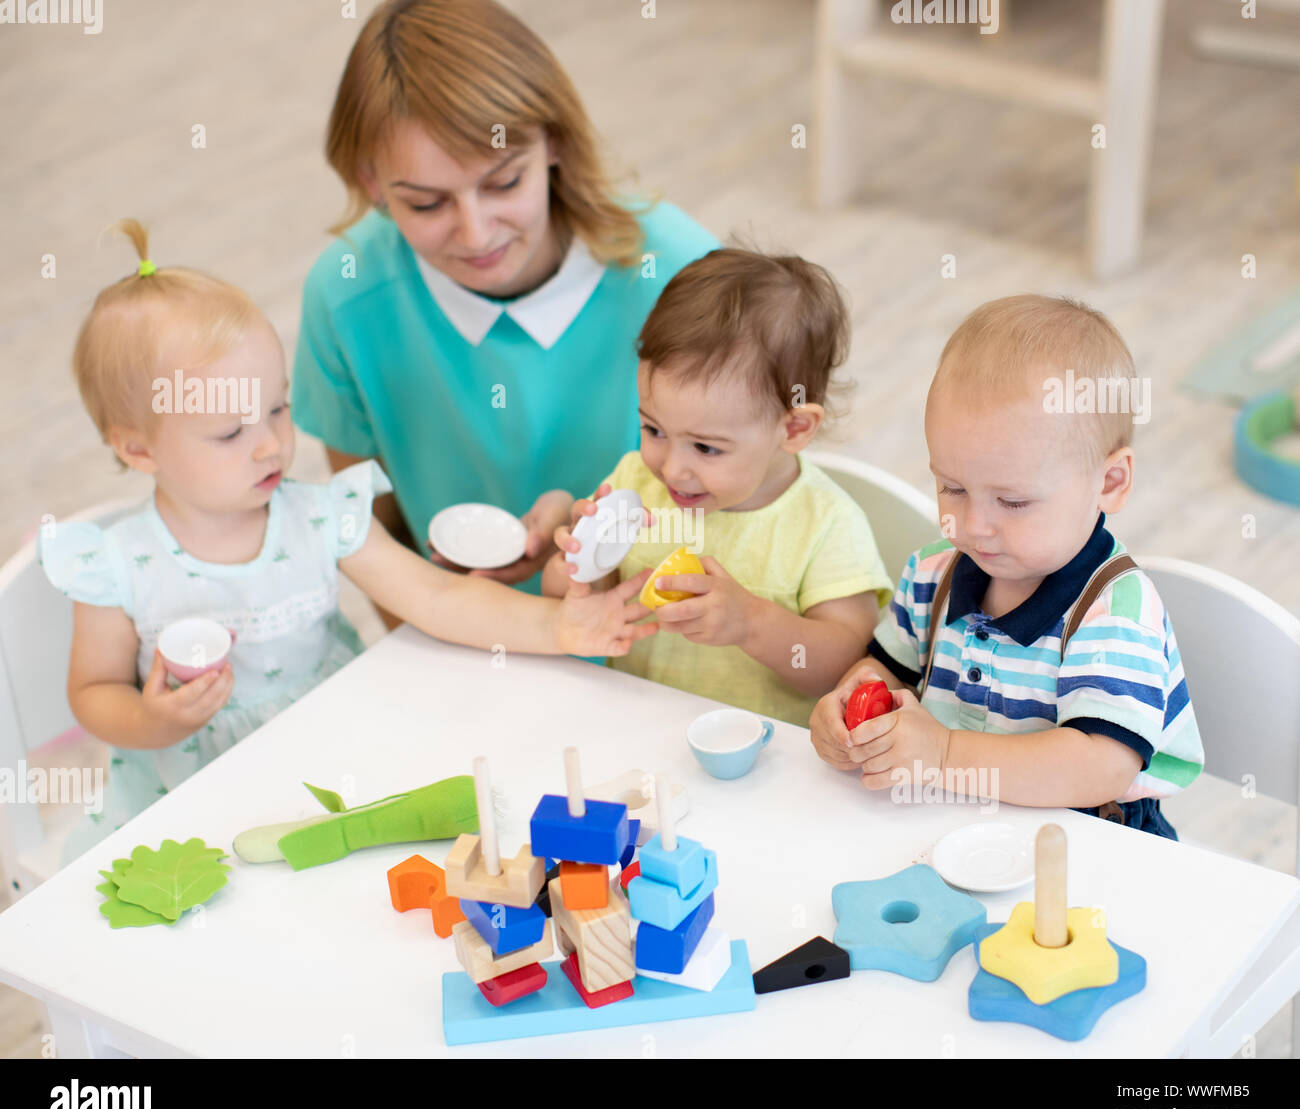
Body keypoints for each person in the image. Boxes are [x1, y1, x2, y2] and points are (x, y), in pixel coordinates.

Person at [40, 222, 657, 861]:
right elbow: (93, 691)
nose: (271, 444)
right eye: (230, 434)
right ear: (138, 449)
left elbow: (440, 599)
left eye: (277, 409)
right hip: (193, 806)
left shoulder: (318, 517)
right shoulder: (116, 568)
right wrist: (153, 721)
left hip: (333, 771)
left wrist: (561, 626)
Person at [292, 0, 717, 611]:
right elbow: (375, 546)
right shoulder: (346, 297)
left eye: (503, 183)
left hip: (662, 644)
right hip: (462, 643)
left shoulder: (682, 273)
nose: (474, 233)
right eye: (426, 204)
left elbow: (752, 510)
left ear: (555, 143)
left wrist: (589, 545)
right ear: (370, 182)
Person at [809, 295, 1204, 837]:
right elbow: (885, 669)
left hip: (1092, 840)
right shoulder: (932, 573)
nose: (973, 525)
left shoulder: (1115, 611)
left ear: (1109, 483)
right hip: (949, 822)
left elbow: (1101, 766)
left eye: (1013, 502)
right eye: (952, 487)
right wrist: (847, 704)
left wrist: (944, 752)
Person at [544, 248, 892, 727]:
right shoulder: (633, 481)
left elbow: (847, 666)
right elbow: (564, 602)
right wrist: (578, 566)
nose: (672, 470)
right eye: (653, 430)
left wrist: (751, 624)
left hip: (766, 762)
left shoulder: (826, 523)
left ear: (792, 428)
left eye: (705, 448)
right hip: (634, 729)